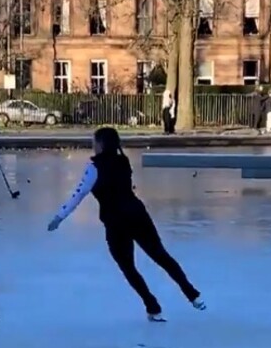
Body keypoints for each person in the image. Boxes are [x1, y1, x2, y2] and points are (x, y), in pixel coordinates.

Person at [48, 126, 207, 321]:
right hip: (137, 215)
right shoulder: (123, 161)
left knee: (128, 268)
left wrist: (59, 217)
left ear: (101, 144)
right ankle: (192, 294)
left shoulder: (94, 167)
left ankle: (152, 306)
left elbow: (78, 194)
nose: (93, 145)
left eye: (94, 142)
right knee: (161, 256)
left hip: (116, 223)